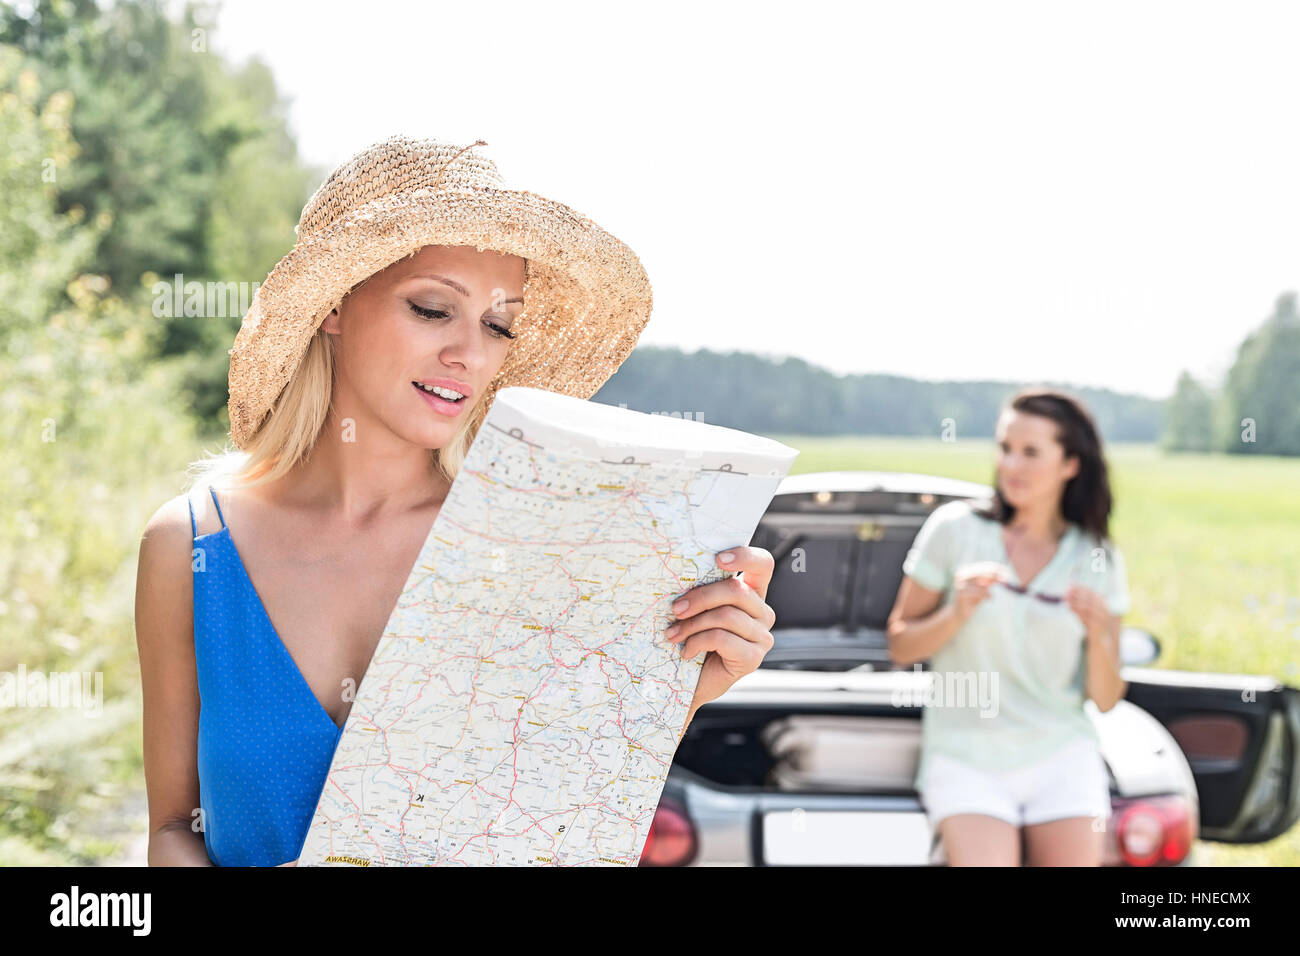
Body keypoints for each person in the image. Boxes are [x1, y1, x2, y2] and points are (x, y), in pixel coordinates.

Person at [133, 136, 778, 866]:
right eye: (433, 308)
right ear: (335, 306)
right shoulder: (189, 548)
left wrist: (678, 686)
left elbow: (552, 799)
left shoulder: (541, 543)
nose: (469, 353)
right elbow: (171, 829)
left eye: (499, 325)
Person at [886, 388, 1130, 866]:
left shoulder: (1097, 557)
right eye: (1005, 448)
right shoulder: (954, 529)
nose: (1011, 465)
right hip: (966, 757)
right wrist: (955, 612)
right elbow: (899, 645)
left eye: (1031, 452)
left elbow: (1105, 697)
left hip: (1062, 755)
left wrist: (1100, 636)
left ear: (1071, 464)